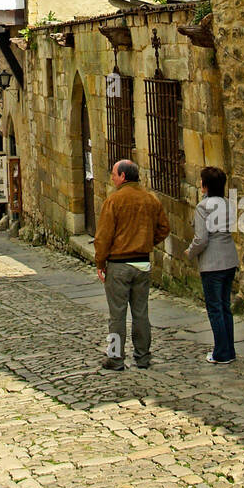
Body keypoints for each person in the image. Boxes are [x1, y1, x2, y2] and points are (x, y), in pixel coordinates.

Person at [95, 159, 169, 371]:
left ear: (123, 177)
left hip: (119, 264)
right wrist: (146, 242)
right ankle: (143, 356)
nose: (112, 177)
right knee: (141, 313)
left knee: (117, 315)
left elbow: (103, 237)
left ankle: (116, 357)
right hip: (142, 263)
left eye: (114, 174)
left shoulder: (114, 201)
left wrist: (100, 262)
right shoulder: (150, 200)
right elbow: (164, 228)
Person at [185, 165, 239, 364]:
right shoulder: (227, 203)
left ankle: (221, 352)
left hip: (212, 263)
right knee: (225, 306)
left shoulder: (203, 207)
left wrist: (190, 252)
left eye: (201, 181)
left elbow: (201, 239)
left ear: (206, 185)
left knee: (215, 308)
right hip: (229, 259)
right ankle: (229, 349)